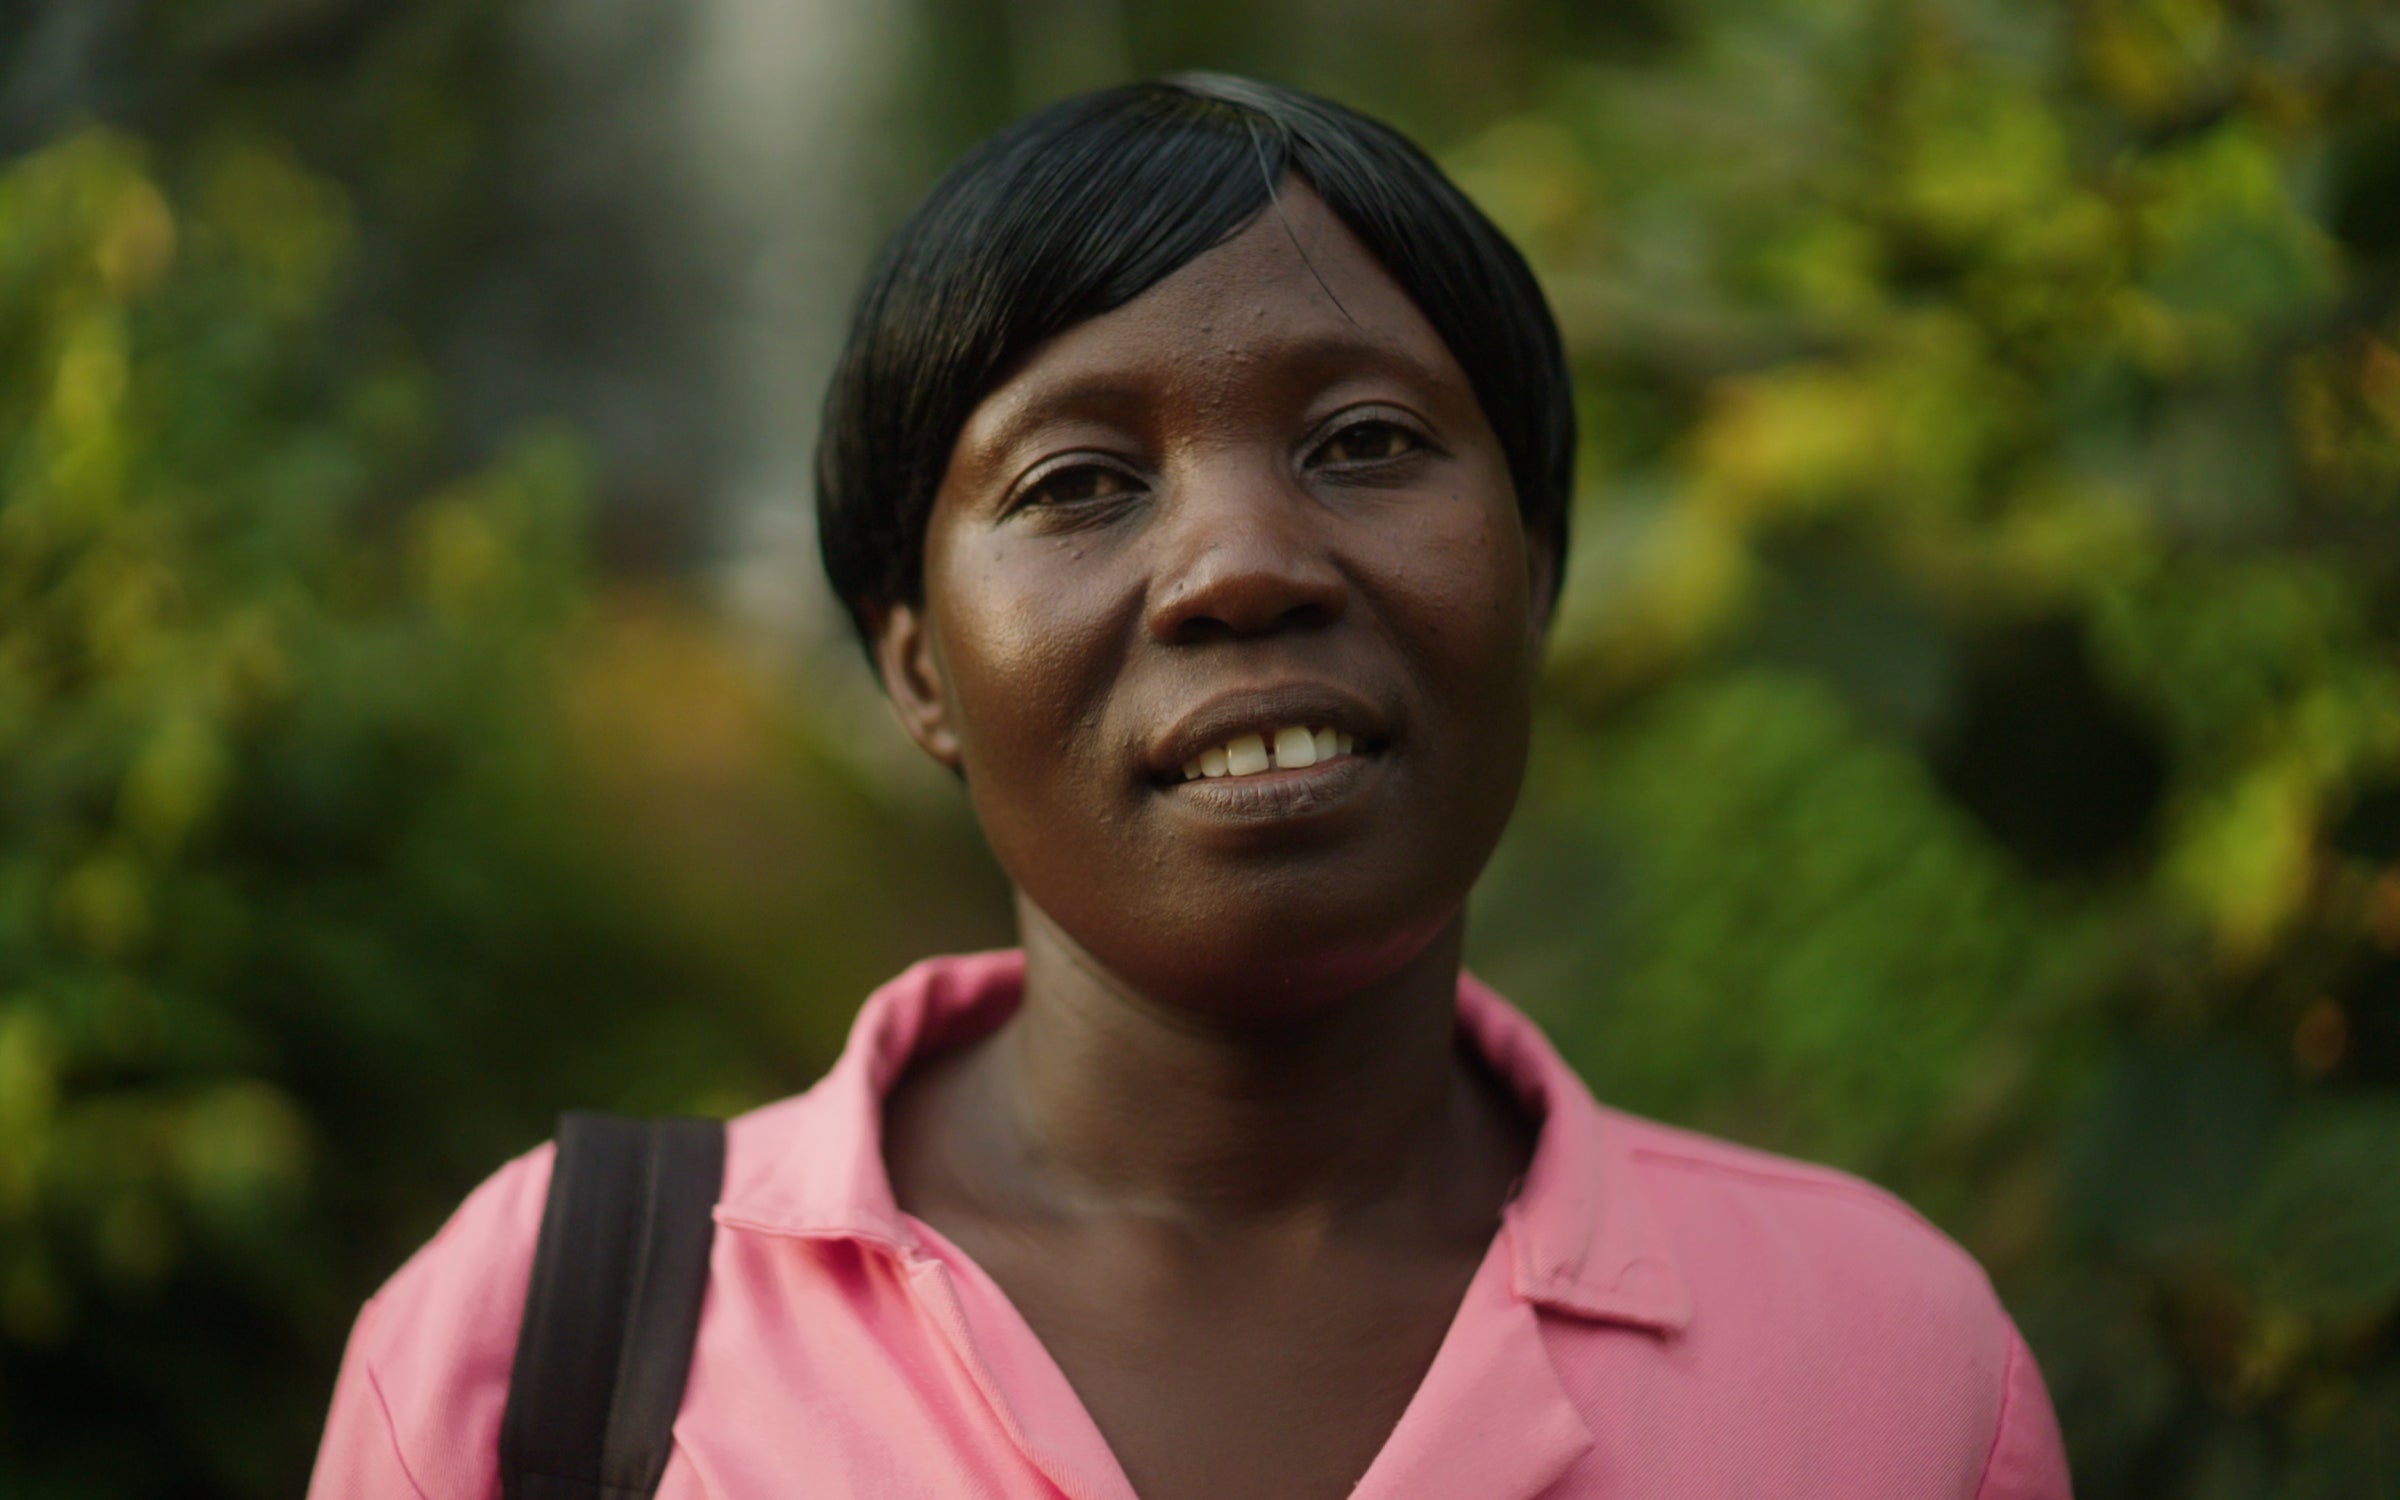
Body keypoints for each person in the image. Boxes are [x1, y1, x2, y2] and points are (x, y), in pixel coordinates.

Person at [308, 74, 2073, 1500]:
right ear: (917, 667)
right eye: (1077, 482)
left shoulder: (1893, 1370)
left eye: (1365, 442)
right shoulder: (542, 1347)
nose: (1241, 564)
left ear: (1534, 575)